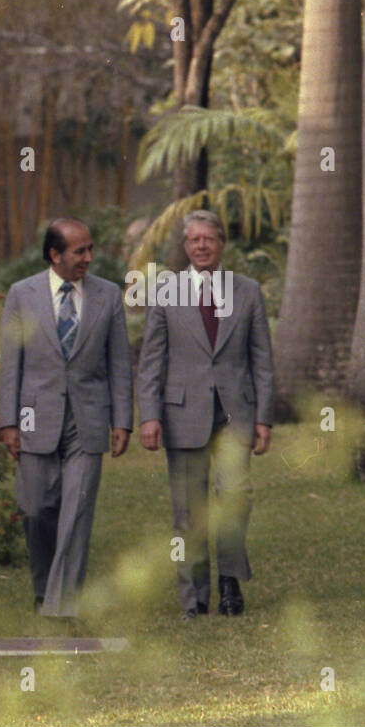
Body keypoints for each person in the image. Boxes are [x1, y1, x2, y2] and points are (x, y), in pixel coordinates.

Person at [138, 210, 273, 619]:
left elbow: (262, 360)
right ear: (185, 247)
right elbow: (151, 361)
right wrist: (149, 415)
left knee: (235, 498)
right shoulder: (166, 292)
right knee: (188, 509)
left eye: (208, 239)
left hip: (235, 412)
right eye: (193, 240)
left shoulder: (247, 292)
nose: (200, 246)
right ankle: (193, 597)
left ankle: (230, 582)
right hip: (182, 414)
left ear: (221, 244)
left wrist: (264, 418)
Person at [0, 217, 132, 617]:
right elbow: (11, 364)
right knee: (36, 509)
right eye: (79, 251)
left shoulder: (108, 296)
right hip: (35, 416)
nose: (88, 258)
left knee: (76, 511)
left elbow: (120, 363)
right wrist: (8, 422)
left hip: (88, 420)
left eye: (90, 249)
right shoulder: (22, 295)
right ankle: (45, 589)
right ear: (54, 255)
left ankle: (61, 606)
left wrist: (122, 420)